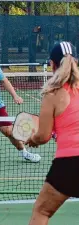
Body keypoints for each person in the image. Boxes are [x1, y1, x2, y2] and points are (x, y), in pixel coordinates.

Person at [26, 41, 79, 225]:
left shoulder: (53, 94)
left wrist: (32, 139)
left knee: (42, 211)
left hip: (69, 164)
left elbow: (43, 136)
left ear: (52, 64)